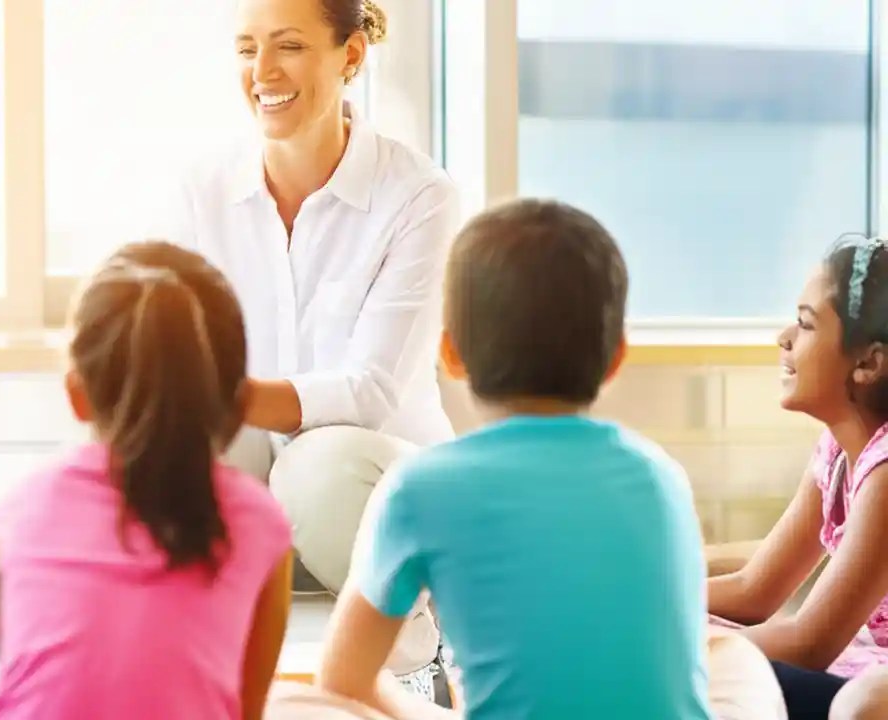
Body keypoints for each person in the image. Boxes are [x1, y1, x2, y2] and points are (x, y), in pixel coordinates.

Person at [314, 199, 715, 718]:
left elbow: (343, 678)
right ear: (616, 356)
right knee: (735, 660)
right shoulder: (662, 476)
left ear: (451, 353)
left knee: (290, 700)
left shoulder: (418, 487)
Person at [163, 0, 461, 691]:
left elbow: (370, 392)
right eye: (246, 49)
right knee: (167, 446)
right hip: (253, 470)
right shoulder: (202, 189)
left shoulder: (419, 194)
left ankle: (416, 657)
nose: (262, 71)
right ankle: (196, 668)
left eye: (288, 47)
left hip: (369, 476)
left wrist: (211, 395)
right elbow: (174, 346)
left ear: (351, 56)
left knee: (315, 467)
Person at [0, 242, 291, 720]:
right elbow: (244, 710)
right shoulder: (260, 521)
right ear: (242, 402)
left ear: (76, 395)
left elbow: (24, 674)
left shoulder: (22, 507)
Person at [709, 235, 888, 718]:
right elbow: (756, 589)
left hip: (870, 691)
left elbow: (810, 643)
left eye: (806, 324)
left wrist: (679, 643)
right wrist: (648, 592)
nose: (784, 336)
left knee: (712, 673)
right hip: (866, 670)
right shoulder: (837, 451)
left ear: (868, 363)